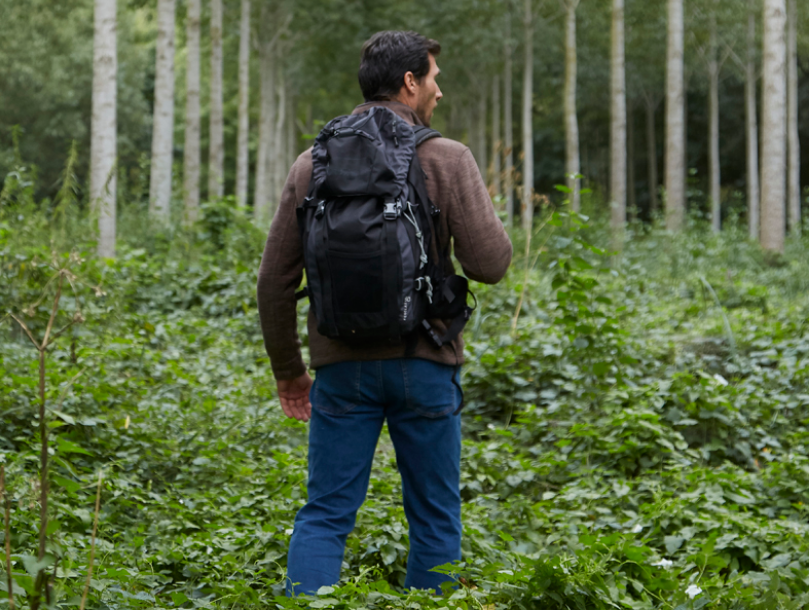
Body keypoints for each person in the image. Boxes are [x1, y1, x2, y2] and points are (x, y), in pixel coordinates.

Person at [256, 30, 512, 596]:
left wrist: (288, 370)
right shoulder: (447, 157)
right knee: (436, 518)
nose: (439, 92)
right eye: (435, 78)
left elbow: (274, 281)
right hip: (425, 362)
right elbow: (490, 264)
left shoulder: (310, 163)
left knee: (324, 514)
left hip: (340, 369)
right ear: (410, 82)